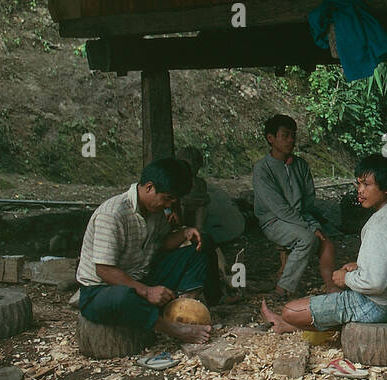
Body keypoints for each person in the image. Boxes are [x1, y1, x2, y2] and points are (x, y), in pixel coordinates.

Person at [260, 155, 387, 377]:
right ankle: (292, 326)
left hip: (375, 305)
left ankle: (285, 322)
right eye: (358, 184)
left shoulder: (378, 226)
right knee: (315, 305)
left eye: (367, 185)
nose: (360, 191)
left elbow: (377, 282)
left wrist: (346, 279)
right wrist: (360, 265)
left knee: (290, 310)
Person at [76, 158, 212, 344]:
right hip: (102, 291)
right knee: (124, 297)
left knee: (197, 249)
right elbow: (104, 270)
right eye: (167, 199)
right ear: (149, 187)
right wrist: (147, 292)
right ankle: (175, 329)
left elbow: (161, 244)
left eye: (173, 201)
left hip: (141, 278)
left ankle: (184, 306)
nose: (168, 205)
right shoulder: (112, 214)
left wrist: (184, 234)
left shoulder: (155, 211)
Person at [252, 114, 336, 299]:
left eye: (293, 135)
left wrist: (310, 222)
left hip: (300, 216)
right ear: (271, 138)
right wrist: (309, 226)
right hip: (273, 220)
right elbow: (279, 209)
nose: (291, 140)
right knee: (307, 239)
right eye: (285, 135)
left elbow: (308, 199)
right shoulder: (262, 169)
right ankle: (283, 289)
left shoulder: (300, 165)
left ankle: (331, 286)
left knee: (326, 241)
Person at [176, 145, 247, 304]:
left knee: (211, 248)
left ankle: (225, 281)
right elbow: (179, 212)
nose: (192, 169)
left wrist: (199, 231)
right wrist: (183, 231)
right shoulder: (177, 186)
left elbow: (201, 210)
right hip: (179, 232)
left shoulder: (199, 185)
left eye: (195, 165)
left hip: (195, 230)